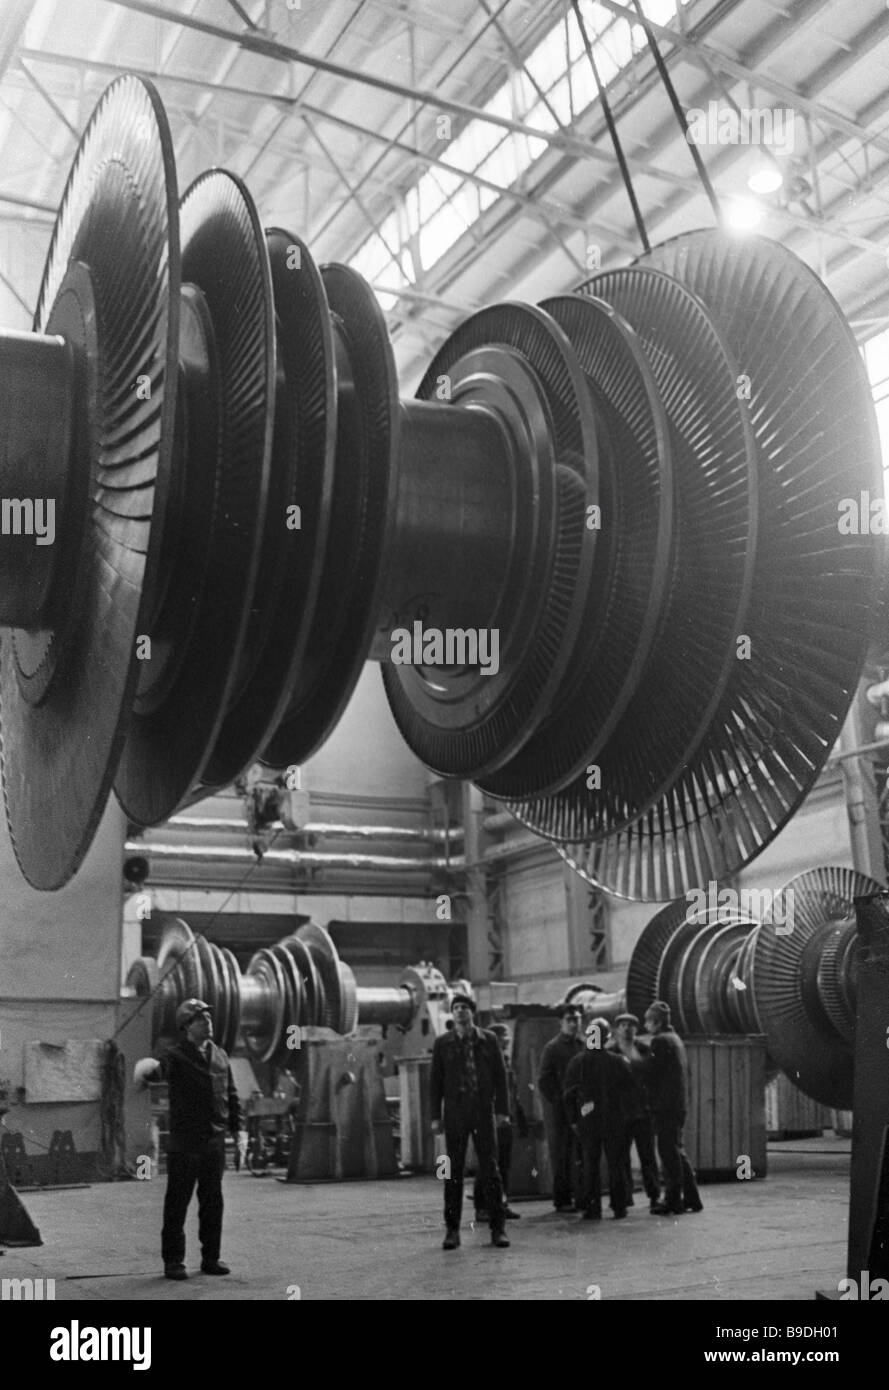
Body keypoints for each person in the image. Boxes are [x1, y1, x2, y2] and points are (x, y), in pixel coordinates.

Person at [134, 998, 247, 1279]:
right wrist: (146, 1072)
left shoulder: (220, 1055)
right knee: (177, 1204)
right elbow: (159, 1070)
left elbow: (231, 1095)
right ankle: (174, 1262)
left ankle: (211, 1258)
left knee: (213, 1203)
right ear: (186, 1026)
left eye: (209, 1018)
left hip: (214, 1143)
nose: (208, 1023)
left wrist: (240, 1130)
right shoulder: (175, 1056)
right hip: (185, 1144)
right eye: (201, 1019)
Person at [429, 993, 511, 1250]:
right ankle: (452, 1231)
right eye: (456, 1008)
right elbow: (435, 1083)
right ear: (452, 1014)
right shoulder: (443, 1043)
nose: (461, 1011)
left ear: (472, 1012)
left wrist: (502, 1111)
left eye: (465, 1007)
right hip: (455, 1114)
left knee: (491, 1170)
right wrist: (435, 1116)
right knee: (452, 1172)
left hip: (483, 1112)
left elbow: (501, 1078)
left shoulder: (489, 1040)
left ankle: (498, 1230)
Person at [563, 1016, 634, 1219]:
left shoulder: (577, 1062)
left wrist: (574, 1120)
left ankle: (593, 1209)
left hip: (588, 1121)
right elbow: (631, 1090)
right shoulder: (618, 1061)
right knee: (616, 1164)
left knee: (590, 1164)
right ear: (607, 1037)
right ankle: (619, 1206)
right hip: (614, 1121)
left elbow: (568, 1095)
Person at [641, 1000, 703, 1216]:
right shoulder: (675, 1039)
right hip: (677, 1105)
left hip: (664, 1108)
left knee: (668, 1154)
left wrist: (630, 1055)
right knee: (677, 1151)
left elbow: (649, 1072)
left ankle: (673, 1200)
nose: (645, 1025)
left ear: (656, 1022)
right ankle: (693, 1198)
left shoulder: (660, 1041)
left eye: (647, 1022)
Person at [474, 1023, 526, 1222]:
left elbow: (513, 1091)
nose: (507, 1040)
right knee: (487, 1165)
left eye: (507, 1036)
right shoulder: (484, 1062)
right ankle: (482, 1208)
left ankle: (501, 1204)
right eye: (503, 1036)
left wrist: (518, 1116)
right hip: (489, 1120)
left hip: (506, 1119)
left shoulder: (505, 1060)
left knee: (504, 1166)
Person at [609, 1012, 661, 1210]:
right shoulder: (611, 1052)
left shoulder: (644, 1050)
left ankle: (655, 1196)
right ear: (617, 1029)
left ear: (636, 1029)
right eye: (622, 1024)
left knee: (648, 1156)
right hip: (621, 1113)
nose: (627, 1028)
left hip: (642, 1112)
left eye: (631, 1024)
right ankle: (625, 1195)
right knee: (622, 1158)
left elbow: (654, 1079)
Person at [537, 1004, 584, 1211]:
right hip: (563, 1110)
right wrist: (559, 1100)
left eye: (576, 1018)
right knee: (563, 1154)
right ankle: (563, 1200)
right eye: (569, 1019)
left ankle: (583, 1197)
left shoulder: (584, 1044)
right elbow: (544, 1080)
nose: (573, 1023)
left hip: (584, 1109)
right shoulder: (553, 1048)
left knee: (583, 1154)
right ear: (561, 1022)